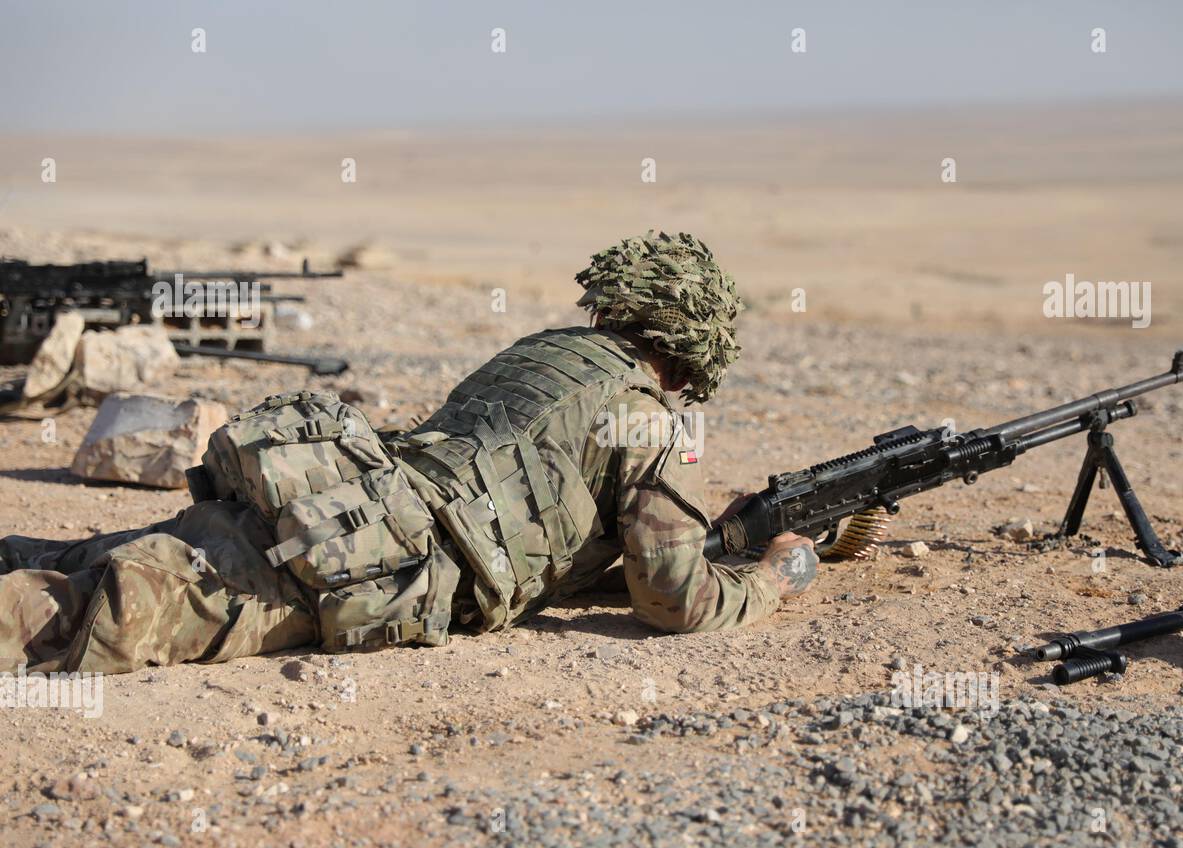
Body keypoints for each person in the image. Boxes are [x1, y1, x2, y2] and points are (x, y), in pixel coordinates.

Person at [0, 231, 818, 675]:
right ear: (694, 345)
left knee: (95, 557)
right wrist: (780, 575)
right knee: (96, 612)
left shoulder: (546, 353)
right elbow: (671, 599)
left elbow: (543, 514)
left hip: (330, 502)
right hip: (358, 564)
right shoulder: (643, 413)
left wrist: (715, 529)